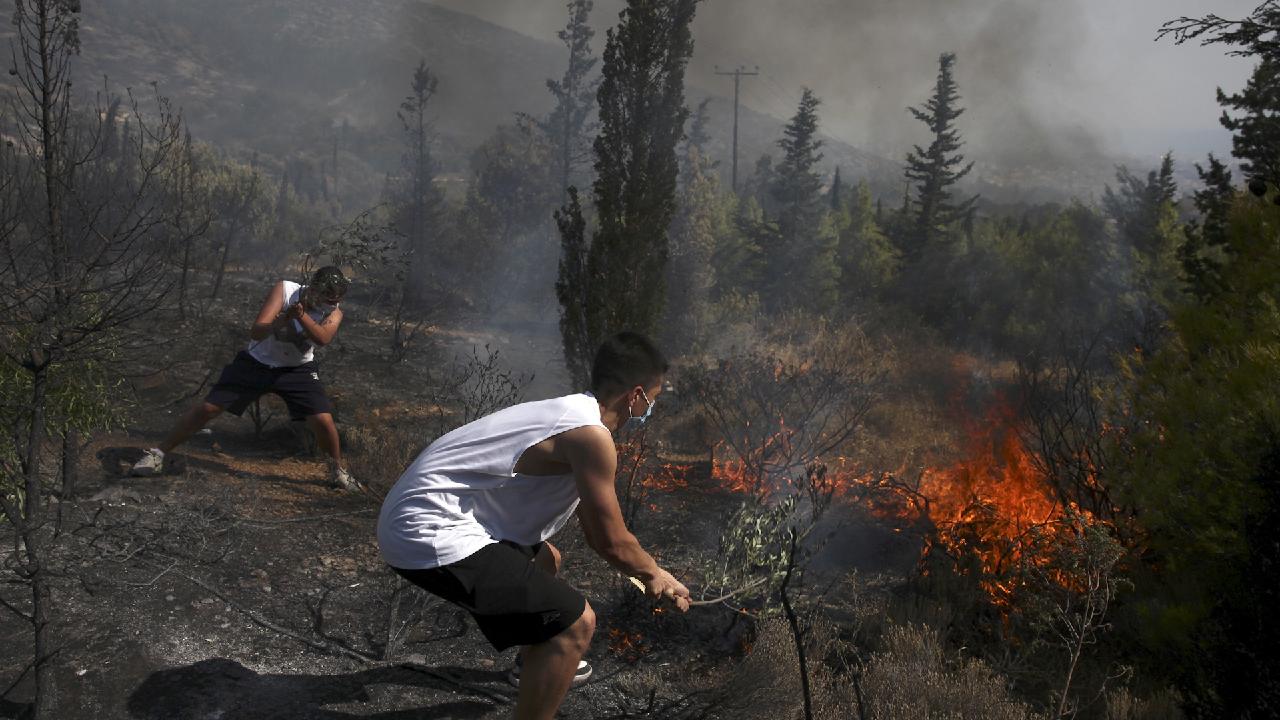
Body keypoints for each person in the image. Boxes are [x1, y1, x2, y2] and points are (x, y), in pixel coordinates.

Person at [377, 331, 691, 720]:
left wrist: (649, 571)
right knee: (577, 625)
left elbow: (599, 531)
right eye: (653, 399)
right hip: (425, 529)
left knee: (547, 560)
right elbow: (610, 541)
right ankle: (550, 661)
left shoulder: (573, 414)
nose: (651, 408)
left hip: (419, 514)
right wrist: (653, 574)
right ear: (636, 395)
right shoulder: (590, 437)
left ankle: (533, 663)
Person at [130, 266, 356, 489]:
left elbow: (323, 338)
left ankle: (336, 471)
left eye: (336, 300)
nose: (332, 304)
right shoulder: (286, 290)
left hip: (297, 369)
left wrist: (301, 316)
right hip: (257, 362)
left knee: (323, 420)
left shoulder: (334, 313)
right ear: (314, 289)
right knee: (208, 408)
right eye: (328, 298)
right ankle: (157, 454)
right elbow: (256, 331)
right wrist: (280, 322)